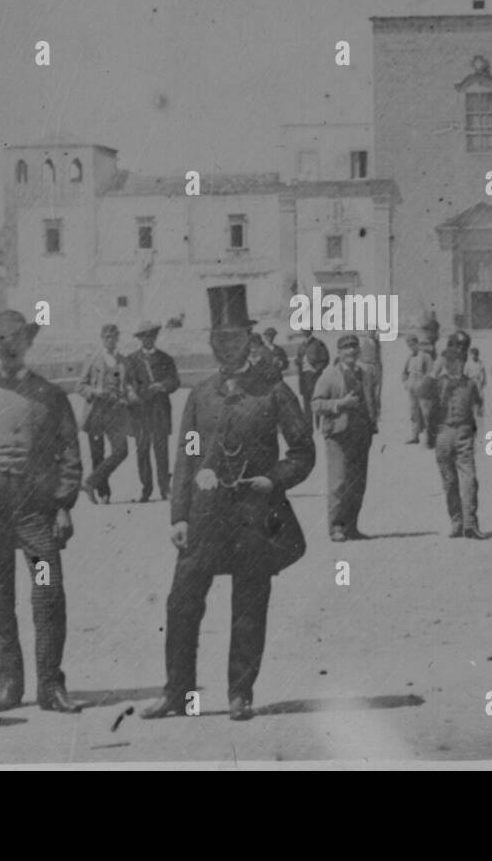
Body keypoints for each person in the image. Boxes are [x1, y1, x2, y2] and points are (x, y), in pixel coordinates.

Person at [141, 285, 314, 722]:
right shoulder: (200, 397)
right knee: (181, 603)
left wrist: (271, 480)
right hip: (203, 518)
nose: (228, 346)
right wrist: (178, 515)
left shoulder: (273, 392)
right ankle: (177, 693)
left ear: (250, 341)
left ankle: (240, 693)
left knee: (250, 605)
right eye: (221, 338)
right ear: (211, 343)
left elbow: (302, 452)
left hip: (255, 517)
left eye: (236, 337)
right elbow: (186, 456)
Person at [0, 310, 84, 714]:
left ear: (27, 344)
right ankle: (9, 682)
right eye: (2, 344)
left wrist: (63, 504)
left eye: (16, 342)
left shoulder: (51, 396)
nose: (10, 351)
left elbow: (71, 456)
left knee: (47, 592)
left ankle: (50, 686)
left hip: (34, 511)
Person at [313, 334, 379, 542]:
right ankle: (336, 527)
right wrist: (341, 403)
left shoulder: (365, 373)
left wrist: (372, 420)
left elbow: (371, 399)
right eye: (346, 348)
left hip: (361, 433)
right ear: (339, 352)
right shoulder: (330, 375)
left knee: (357, 483)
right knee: (339, 482)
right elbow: (316, 404)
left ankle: (352, 527)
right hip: (339, 435)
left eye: (354, 348)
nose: (351, 352)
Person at [123, 321, 180, 503]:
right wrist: (131, 392)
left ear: (155, 337)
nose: (148, 339)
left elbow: (175, 381)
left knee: (161, 449)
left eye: (151, 335)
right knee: (142, 449)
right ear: (140, 339)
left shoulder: (165, 358)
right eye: (144, 336)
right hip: (140, 411)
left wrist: (162, 386)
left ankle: (165, 488)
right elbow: (126, 382)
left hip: (160, 409)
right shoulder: (131, 359)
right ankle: (146, 489)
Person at [431, 345, 484, 538]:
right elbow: (419, 390)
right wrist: (433, 372)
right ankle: (456, 522)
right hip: (443, 433)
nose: (455, 365)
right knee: (449, 482)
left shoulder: (470, 384)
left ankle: (470, 524)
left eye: (459, 361)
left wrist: (477, 433)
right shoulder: (438, 383)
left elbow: (478, 408)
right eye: (451, 362)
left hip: (464, 433)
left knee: (469, 480)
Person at [76, 323, 132, 504]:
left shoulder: (123, 361)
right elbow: (80, 386)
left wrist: (127, 396)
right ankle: (103, 493)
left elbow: (127, 385)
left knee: (122, 451)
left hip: (116, 411)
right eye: (107, 337)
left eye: (114, 337)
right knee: (97, 454)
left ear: (118, 338)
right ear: (102, 339)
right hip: (97, 411)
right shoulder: (93, 359)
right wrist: (94, 392)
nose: (110, 340)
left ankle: (90, 482)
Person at [402, 335, 433, 444]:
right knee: (413, 413)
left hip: (423, 388)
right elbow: (404, 373)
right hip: (412, 389)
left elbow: (430, 373)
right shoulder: (410, 358)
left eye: (412, 344)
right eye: (409, 345)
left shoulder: (425, 356)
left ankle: (430, 437)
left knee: (426, 413)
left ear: (417, 344)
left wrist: (423, 384)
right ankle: (415, 436)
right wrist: (406, 383)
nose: (411, 347)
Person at [295, 330, 331, 421]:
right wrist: (298, 361)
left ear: (311, 330)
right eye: (303, 330)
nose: (305, 332)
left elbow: (325, 359)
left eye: (307, 329)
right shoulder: (301, 345)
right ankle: (309, 429)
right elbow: (299, 359)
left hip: (314, 378)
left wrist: (316, 369)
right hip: (303, 379)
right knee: (307, 404)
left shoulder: (318, 343)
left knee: (316, 401)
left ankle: (319, 426)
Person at [357, 328, 384, 418]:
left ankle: (377, 413)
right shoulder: (363, 342)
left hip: (377, 368)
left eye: (373, 330)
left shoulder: (377, 342)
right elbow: (358, 356)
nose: (372, 332)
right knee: (368, 392)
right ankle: (370, 414)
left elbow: (379, 356)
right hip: (367, 367)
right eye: (370, 330)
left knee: (377, 392)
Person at [465, 346, 488, 416]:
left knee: (480, 396)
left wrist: (483, 380)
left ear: (478, 354)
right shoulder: (468, 363)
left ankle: (480, 411)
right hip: (471, 381)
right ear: (470, 355)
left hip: (478, 381)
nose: (474, 356)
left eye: (476, 354)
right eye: (473, 354)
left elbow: (483, 372)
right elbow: (465, 374)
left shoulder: (480, 362)